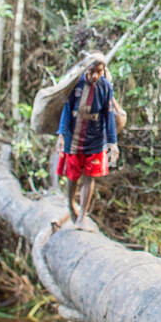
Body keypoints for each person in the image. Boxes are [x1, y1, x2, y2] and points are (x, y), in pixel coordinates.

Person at [55, 56, 120, 225]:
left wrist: (112, 142)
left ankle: (82, 215)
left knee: (89, 177)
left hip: (95, 139)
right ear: (85, 70)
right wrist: (61, 135)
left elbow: (109, 115)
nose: (95, 76)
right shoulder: (75, 84)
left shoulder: (105, 86)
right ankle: (70, 205)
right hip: (73, 138)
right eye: (92, 72)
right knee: (72, 177)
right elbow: (66, 110)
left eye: (99, 72)